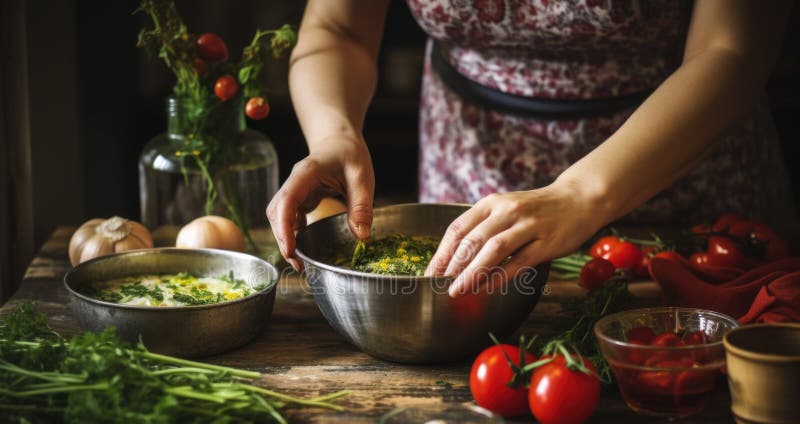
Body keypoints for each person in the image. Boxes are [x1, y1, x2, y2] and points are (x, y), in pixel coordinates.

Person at [267, 0, 796, 296]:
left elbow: (732, 48)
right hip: (468, 176)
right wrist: (333, 131)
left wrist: (580, 193)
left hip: (681, 178)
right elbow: (338, 29)